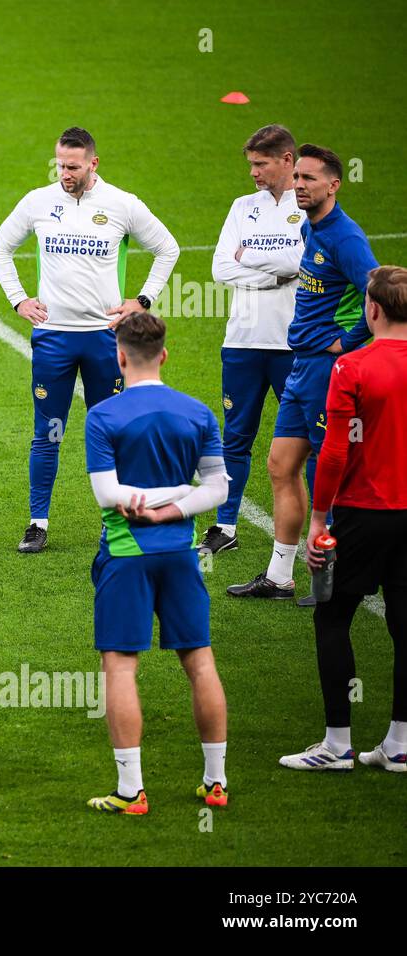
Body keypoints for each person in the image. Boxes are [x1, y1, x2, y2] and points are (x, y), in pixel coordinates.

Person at [0, 127, 180, 554]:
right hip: (54, 337)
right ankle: (38, 522)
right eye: (60, 164)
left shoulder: (121, 204)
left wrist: (143, 300)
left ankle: (111, 521)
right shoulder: (38, 201)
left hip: (104, 337)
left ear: (94, 163)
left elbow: (168, 248)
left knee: (111, 430)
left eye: (73, 166)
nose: (65, 173)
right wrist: (18, 300)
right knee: (48, 433)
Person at [83, 312, 230, 814]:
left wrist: (148, 505)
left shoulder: (103, 415)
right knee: (200, 661)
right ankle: (216, 783)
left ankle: (131, 791)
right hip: (182, 555)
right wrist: (177, 501)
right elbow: (218, 489)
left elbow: (107, 493)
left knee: (121, 668)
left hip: (126, 555)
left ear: (119, 357)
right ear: (164, 354)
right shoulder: (198, 412)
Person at [228, 144, 377, 602]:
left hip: (324, 370)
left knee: (331, 470)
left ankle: (336, 578)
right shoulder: (312, 229)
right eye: (299, 179)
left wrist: (346, 342)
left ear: (333, 185)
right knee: (280, 465)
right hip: (302, 366)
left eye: (310, 179)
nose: (300, 186)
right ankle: (279, 576)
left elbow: (380, 295)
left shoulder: (344, 237)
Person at [280, 265, 407, 773]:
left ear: (372, 309)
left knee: (333, 616)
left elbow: (332, 452)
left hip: (362, 512)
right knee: (404, 623)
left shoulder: (351, 366)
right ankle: (399, 744)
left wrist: (317, 519)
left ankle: (337, 745)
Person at [199, 125, 303, 556]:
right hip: (242, 340)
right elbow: (221, 268)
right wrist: (275, 273)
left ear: (286, 160)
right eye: (251, 165)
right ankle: (225, 526)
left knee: (308, 440)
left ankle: (326, 526)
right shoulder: (243, 207)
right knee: (235, 438)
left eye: (261, 164)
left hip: (294, 343)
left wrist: (252, 259)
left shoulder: (309, 205)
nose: (254, 173)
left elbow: (301, 261)